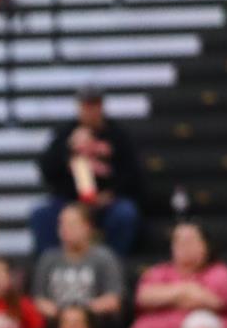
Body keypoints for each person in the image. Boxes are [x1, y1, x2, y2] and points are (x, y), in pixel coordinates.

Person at [30, 88, 144, 258]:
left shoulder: (118, 135)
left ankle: (113, 262)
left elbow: (133, 175)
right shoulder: (65, 133)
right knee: (41, 215)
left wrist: (110, 194)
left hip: (106, 202)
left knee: (125, 213)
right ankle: (52, 263)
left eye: (94, 105)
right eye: (85, 106)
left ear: (101, 107)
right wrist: (68, 147)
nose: (90, 111)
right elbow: (46, 169)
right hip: (70, 201)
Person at [31, 202, 125, 328]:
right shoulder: (48, 258)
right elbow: (38, 300)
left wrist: (80, 314)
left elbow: (113, 300)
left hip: (94, 325)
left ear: (87, 227)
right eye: (62, 224)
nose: (65, 230)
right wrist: (62, 315)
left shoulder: (104, 257)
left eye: (71, 224)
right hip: (56, 325)